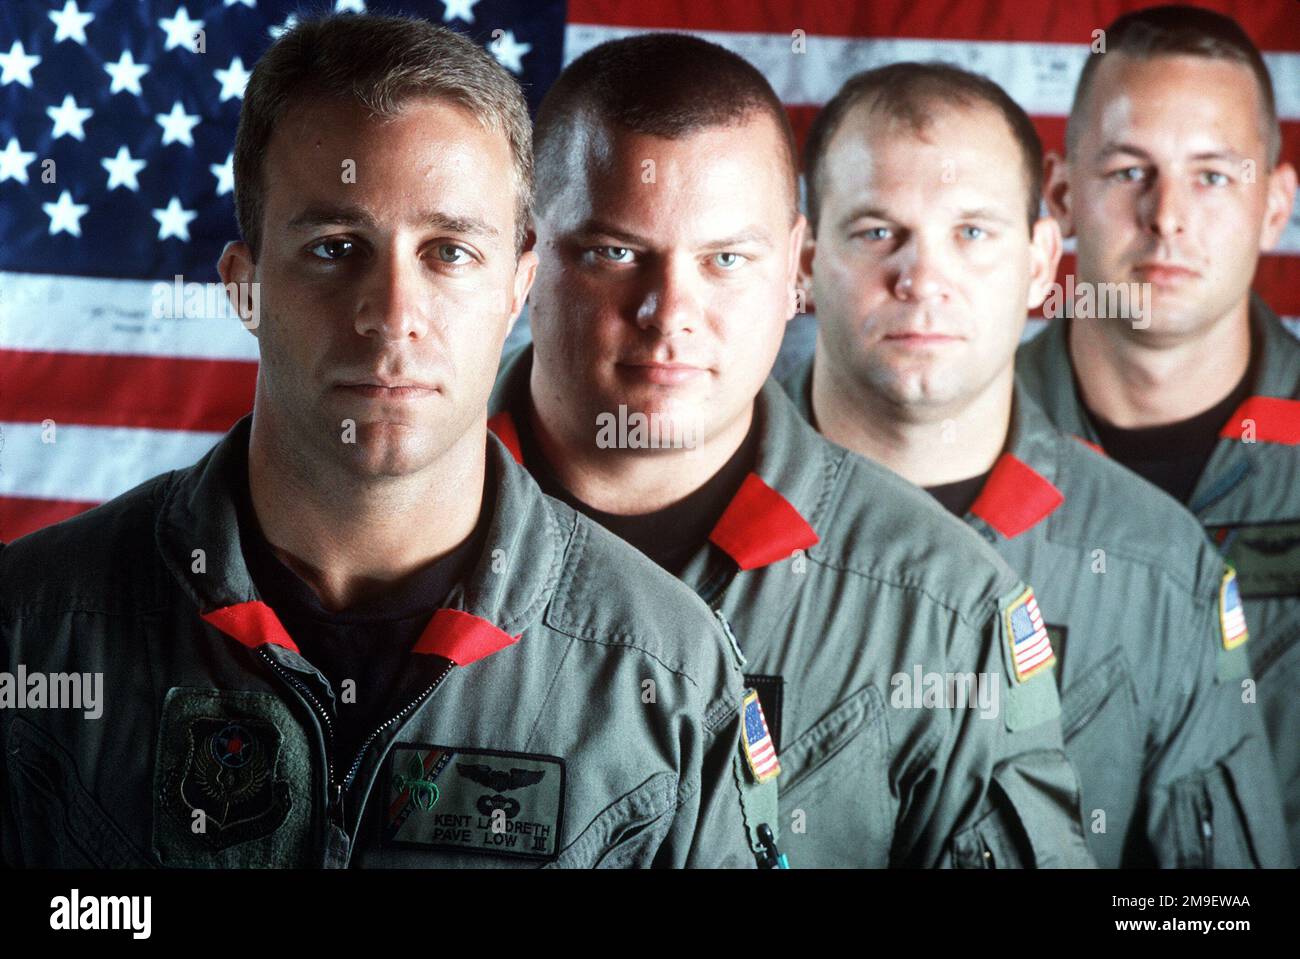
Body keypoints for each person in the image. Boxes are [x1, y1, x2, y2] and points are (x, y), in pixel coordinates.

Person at [0, 14, 766, 869]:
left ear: (518, 287)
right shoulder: (32, 632)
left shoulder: (669, 675)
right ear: (245, 290)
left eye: (448, 252)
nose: (393, 314)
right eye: (336, 248)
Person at [489, 33, 1094, 867]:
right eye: (615, 253)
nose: (671, 312)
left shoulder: (942, 613)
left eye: (726, 259)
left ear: (795, 270)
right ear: (524, 256)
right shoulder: (375, 532)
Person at [789, 60, 1289, 866]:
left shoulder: (1156, 568)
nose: (923, 280)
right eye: (877, 230)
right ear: (804, 259)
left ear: (1037, 261)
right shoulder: (682, 503)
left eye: (973, 233)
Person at [1016, 4, 1300, 860]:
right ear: (1063, 196)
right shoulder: (958, 456)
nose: (1167, 215)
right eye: (1129, 170)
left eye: (1213, 175)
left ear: (1275, 205)